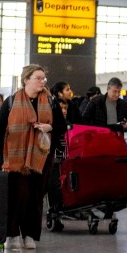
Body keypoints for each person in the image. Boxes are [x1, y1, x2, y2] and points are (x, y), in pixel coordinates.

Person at [0, 65, 65, 251]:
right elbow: (0, 125)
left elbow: (61, 125)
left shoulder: (50, 101)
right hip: (17, 158)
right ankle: (12, 234)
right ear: (26, 79)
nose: (42, 81)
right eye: (38, 78)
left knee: (36, 197)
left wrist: (48, 127)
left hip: (41, 156)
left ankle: (29, 235)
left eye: (44, 78)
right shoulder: (12, 101)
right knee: (18, 195)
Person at [46, 82, 82, 229]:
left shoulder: (72, 110)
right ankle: (56, 209)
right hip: (55, 157)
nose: (64, 111)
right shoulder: (53, 120)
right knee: (55, 184)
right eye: (67, 89)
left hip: (69, 157)